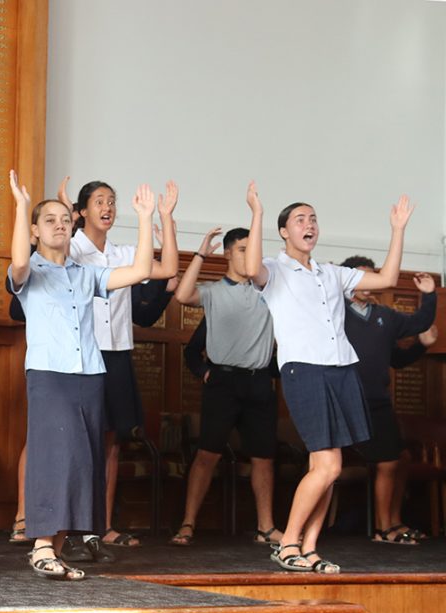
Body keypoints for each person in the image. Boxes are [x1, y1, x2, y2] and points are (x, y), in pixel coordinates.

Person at [245, 182, 413, 574]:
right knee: (328, 467)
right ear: (284, 231)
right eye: (300, 219)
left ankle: (310, 547)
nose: (309, 225)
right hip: (304, 370)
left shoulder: (333, 273)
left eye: (313, 219)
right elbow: (251, 268)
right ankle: (288, 543)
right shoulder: (275, 270)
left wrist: (398, 229)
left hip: (341, 370)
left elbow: (387, 278)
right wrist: (256, 214)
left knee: (329, 467)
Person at [8, 170, 155, 580]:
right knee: (54, 456)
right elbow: (18, 259)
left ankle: (54, 549)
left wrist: (144, 218)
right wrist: (21, 208)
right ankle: (40, 545)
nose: (58, 225)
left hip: (90, 372)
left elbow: (141, 269)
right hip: (50, 374)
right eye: (48, 220)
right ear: (36, 230)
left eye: (62, 218)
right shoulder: (31, 271)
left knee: (81, 459)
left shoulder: (84, 272)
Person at [63, 176, 178, 559]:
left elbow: (168, 269)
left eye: (111, 201)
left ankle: (103, 525)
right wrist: (66, 217)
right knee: (80, 443)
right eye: (99, 201)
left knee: (111, 444)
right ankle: (69, 525)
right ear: (82, 211)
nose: (107, 207)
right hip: (81, 355)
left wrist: (162, 217)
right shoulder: (72, 248)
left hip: (116, 353)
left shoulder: (122, 252)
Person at [170, 227, 281, 547]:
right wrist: (201, 253)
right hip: (223, 382)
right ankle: (188, 523)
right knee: (208, 454)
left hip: (260, 381)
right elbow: (181, 295)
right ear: (228, 254)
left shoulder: (269, 291)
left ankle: (266, 527)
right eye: (243, 249)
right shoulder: (214, 291)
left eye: (254, 249)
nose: (251, 255)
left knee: (264, 457)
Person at [340, 256, 437, 544]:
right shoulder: (334, 314)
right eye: (360, 280)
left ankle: (394, 522)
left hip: (378, 402)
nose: (367, 286)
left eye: (371, 279)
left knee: (401, 459)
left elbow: (400, 356)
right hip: (348, 403)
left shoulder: (386, 316)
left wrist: (429, 294)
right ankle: (383, 530)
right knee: (387, 461)